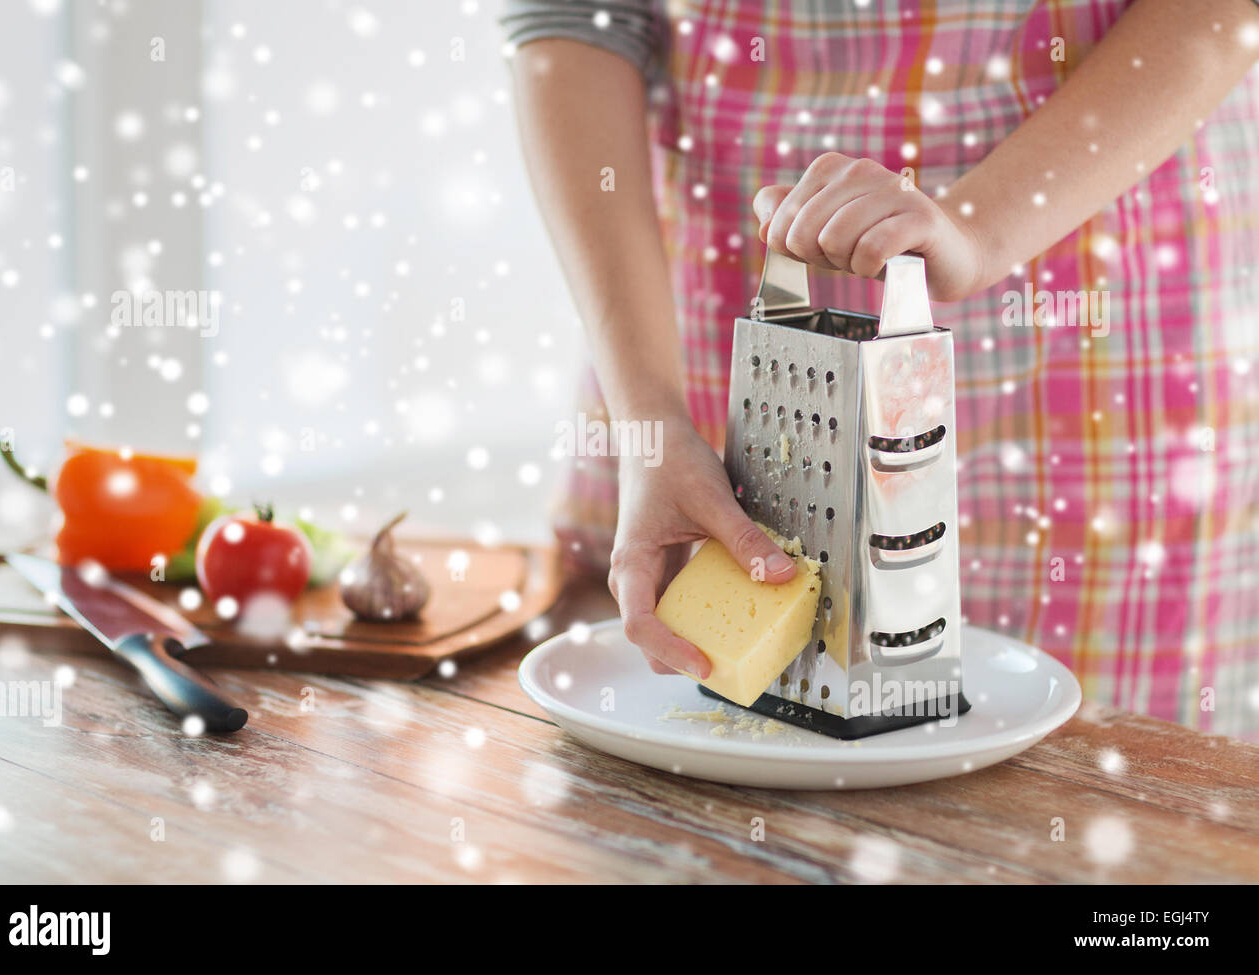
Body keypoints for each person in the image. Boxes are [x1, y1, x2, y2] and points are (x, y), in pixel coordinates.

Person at [502, 0, 1259, 738]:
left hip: (1088, 278)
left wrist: (978, 224)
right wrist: (652, 423)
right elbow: (572, 19)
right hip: (702, 305)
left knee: (1102, 798)